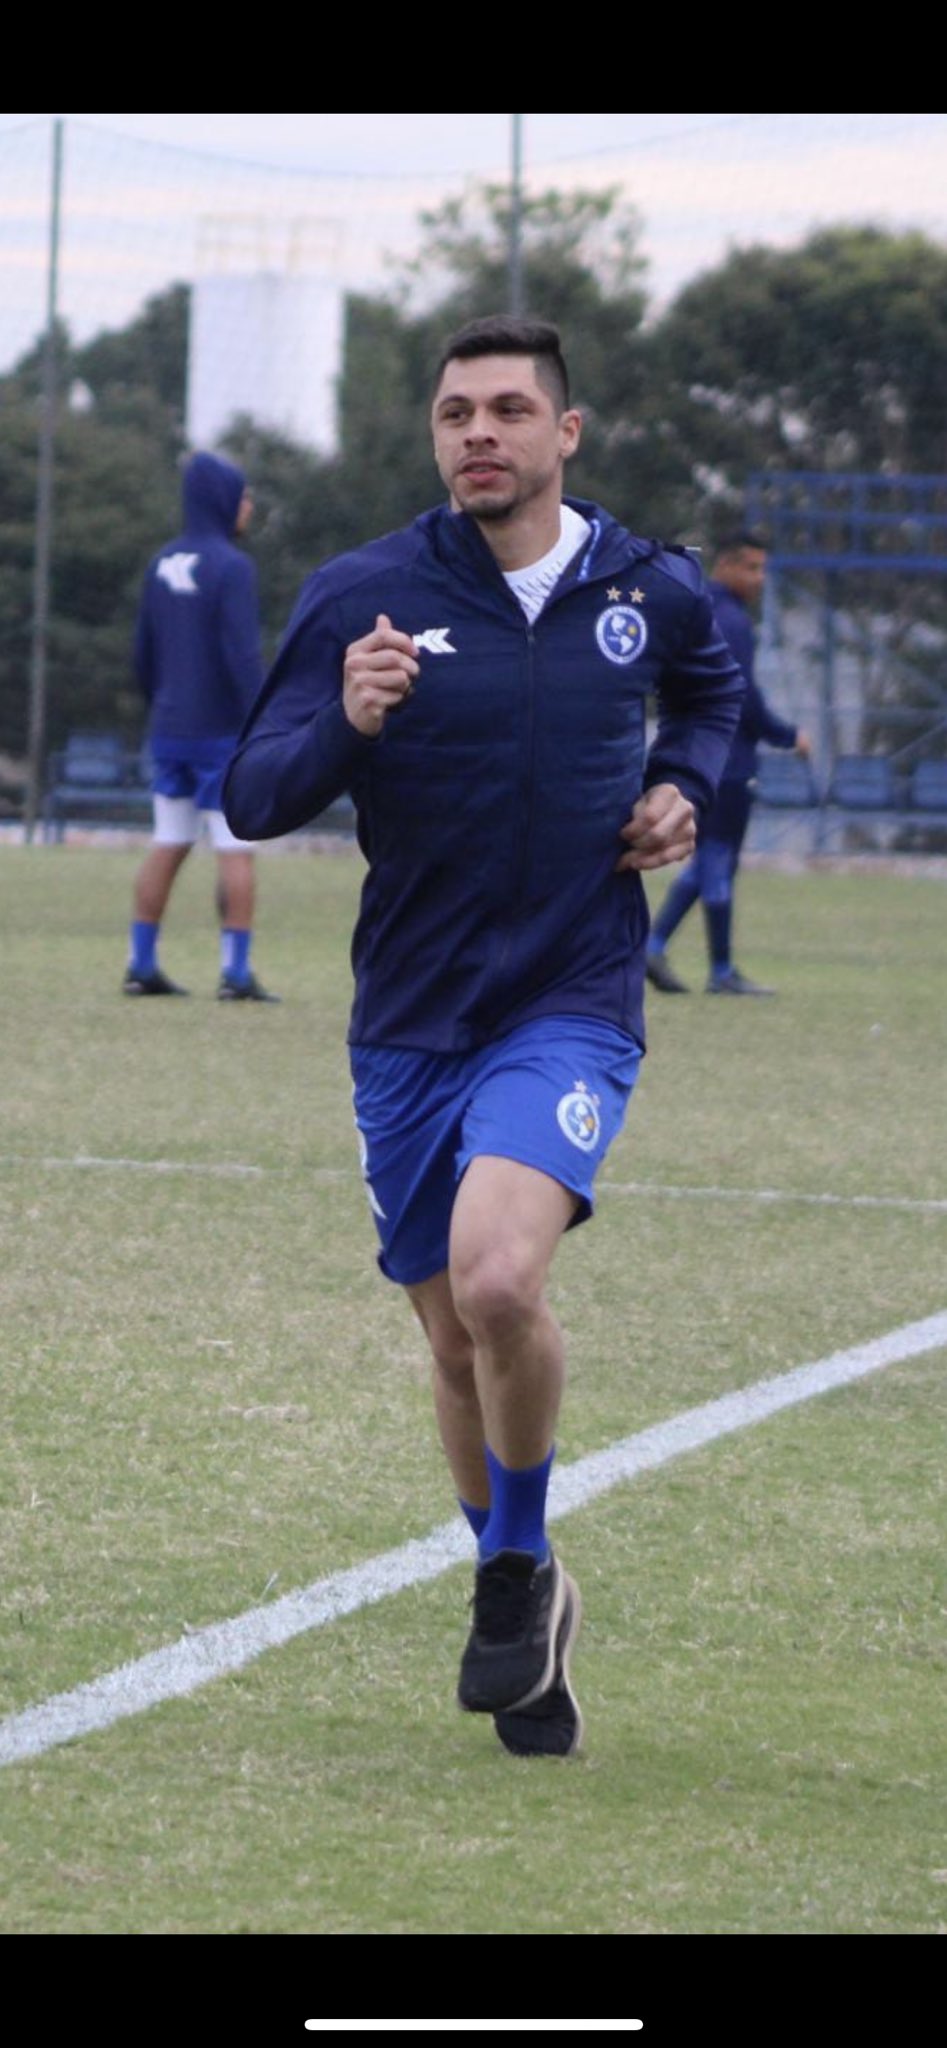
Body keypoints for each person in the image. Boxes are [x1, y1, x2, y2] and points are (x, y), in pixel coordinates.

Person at [223, 315, 744, 1757]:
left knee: (498, 1280)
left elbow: (712, 694)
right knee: (453, 1344)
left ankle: (511, 1568)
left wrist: (682, 783)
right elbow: (253, 796)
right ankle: (522, 1597)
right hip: (406, 1020)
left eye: (509, 410)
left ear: (562, 434)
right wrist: (346, 720)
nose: (478, 434)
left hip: (567, 996)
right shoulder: (364, 593)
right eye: (455, 412)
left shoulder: (646, 588)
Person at [123, 449, 279, 1001]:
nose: (248, 505)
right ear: (221, 500)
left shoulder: (160, 561)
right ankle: (236, 974)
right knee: (235, 846)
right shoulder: (232, 567)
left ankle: (141, 963)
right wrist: (263, 720)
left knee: (169, 838)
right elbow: (241, 657)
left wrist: (160, 705)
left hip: (168, 730)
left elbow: (142, 654)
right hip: (221, 735)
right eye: (242, 494)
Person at [645, 532, 812, 996]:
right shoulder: (732, 621)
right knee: (718, 860)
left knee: (707, 863)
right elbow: (741, 696)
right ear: (727, 566)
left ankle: (654, 946)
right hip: (730, 761)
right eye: (753, 568)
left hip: (701, 754)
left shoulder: (698, 608)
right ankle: (720, 971)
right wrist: (786, 735)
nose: (760, 579)